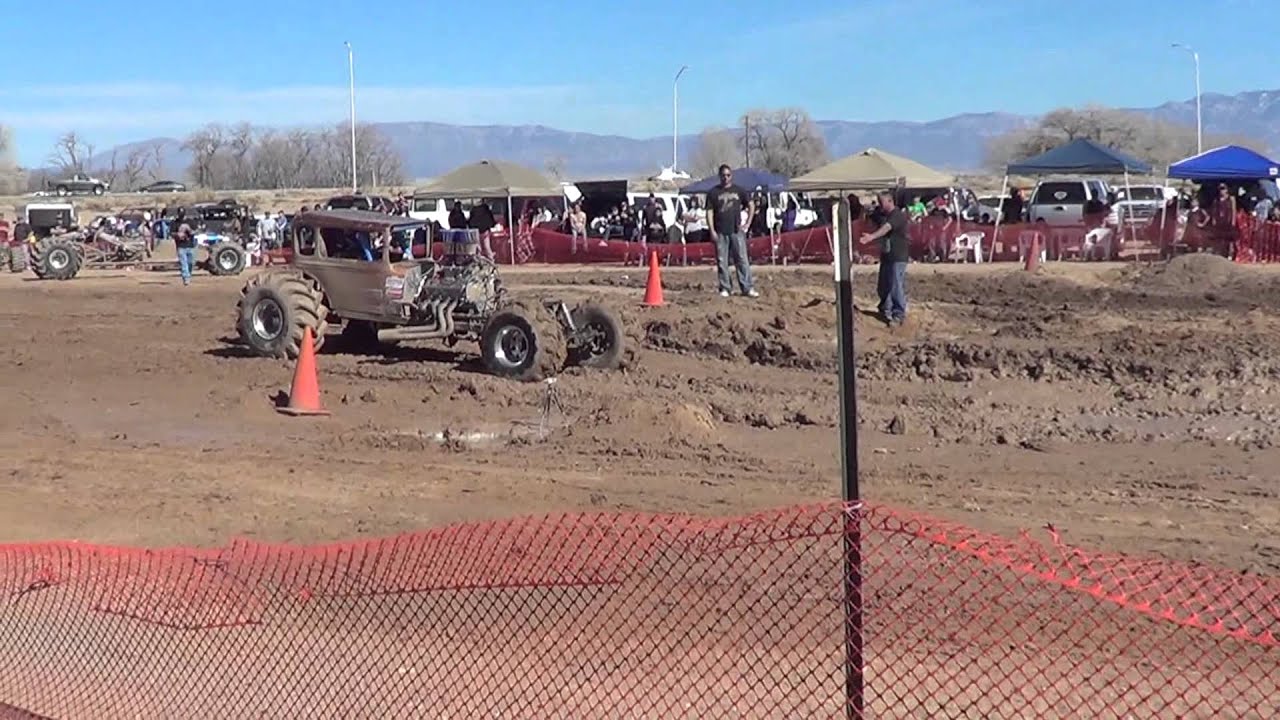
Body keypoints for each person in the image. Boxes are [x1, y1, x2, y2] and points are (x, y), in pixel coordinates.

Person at [706, 165, 758, 298]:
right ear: (720, 176)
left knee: (742, 259)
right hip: (720, 231)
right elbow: (709, 212)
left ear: (731, 176)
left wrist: (747, 223)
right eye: (723, 175)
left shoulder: (739, 190)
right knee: (722, 261)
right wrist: (712, 230)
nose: (726, 178)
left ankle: (747, 287)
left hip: (736, 230)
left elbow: (751, 205)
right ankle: (725, 287)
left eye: (728, 175)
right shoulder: (713, 193)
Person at [860, 191, 910, 327]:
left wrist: (871, 237)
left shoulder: (897, 215)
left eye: (881, 202)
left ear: (889, 201)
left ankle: (898, 314)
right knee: (883, 285)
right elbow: (872, 218)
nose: (880, 205)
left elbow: (886, 228)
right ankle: (885, 308)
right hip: (887, 256)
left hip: (897, 256)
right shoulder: (884, 215)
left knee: (895, 285)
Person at [173, 211, 196, 286]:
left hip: (190, 245)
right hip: (181, 246)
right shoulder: (175, 222)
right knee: (183, 263)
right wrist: (177, 235)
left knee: (191, 263)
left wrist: (191, 231)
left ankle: (188, 274)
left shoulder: (190, 221)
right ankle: (186, 278)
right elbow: (171, 232)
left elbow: (195, 230)